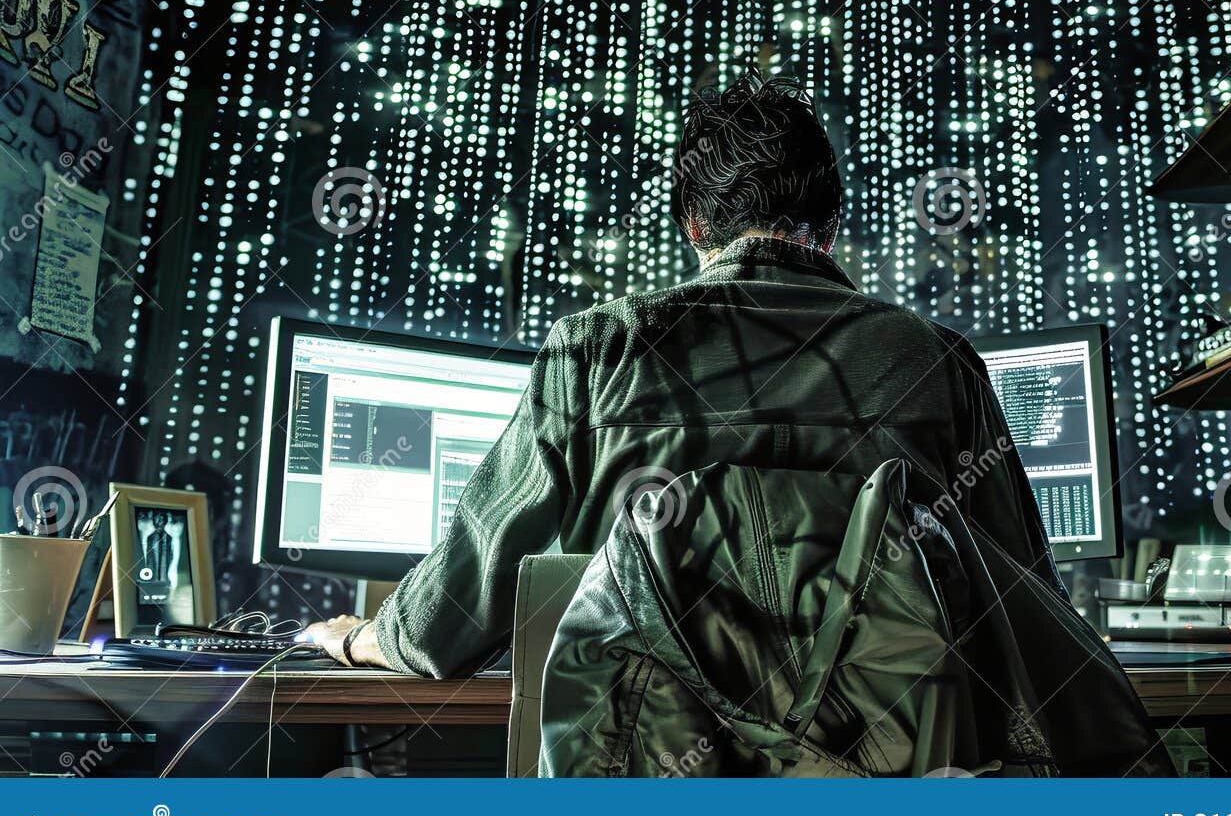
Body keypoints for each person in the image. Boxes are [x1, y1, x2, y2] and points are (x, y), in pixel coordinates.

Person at [305, 72, 1162, 772]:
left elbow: (451, 617)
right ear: (829, 227)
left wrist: (355, 636)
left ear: (694, 227)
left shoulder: (596, 352)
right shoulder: (938, 362)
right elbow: (1025, 612)